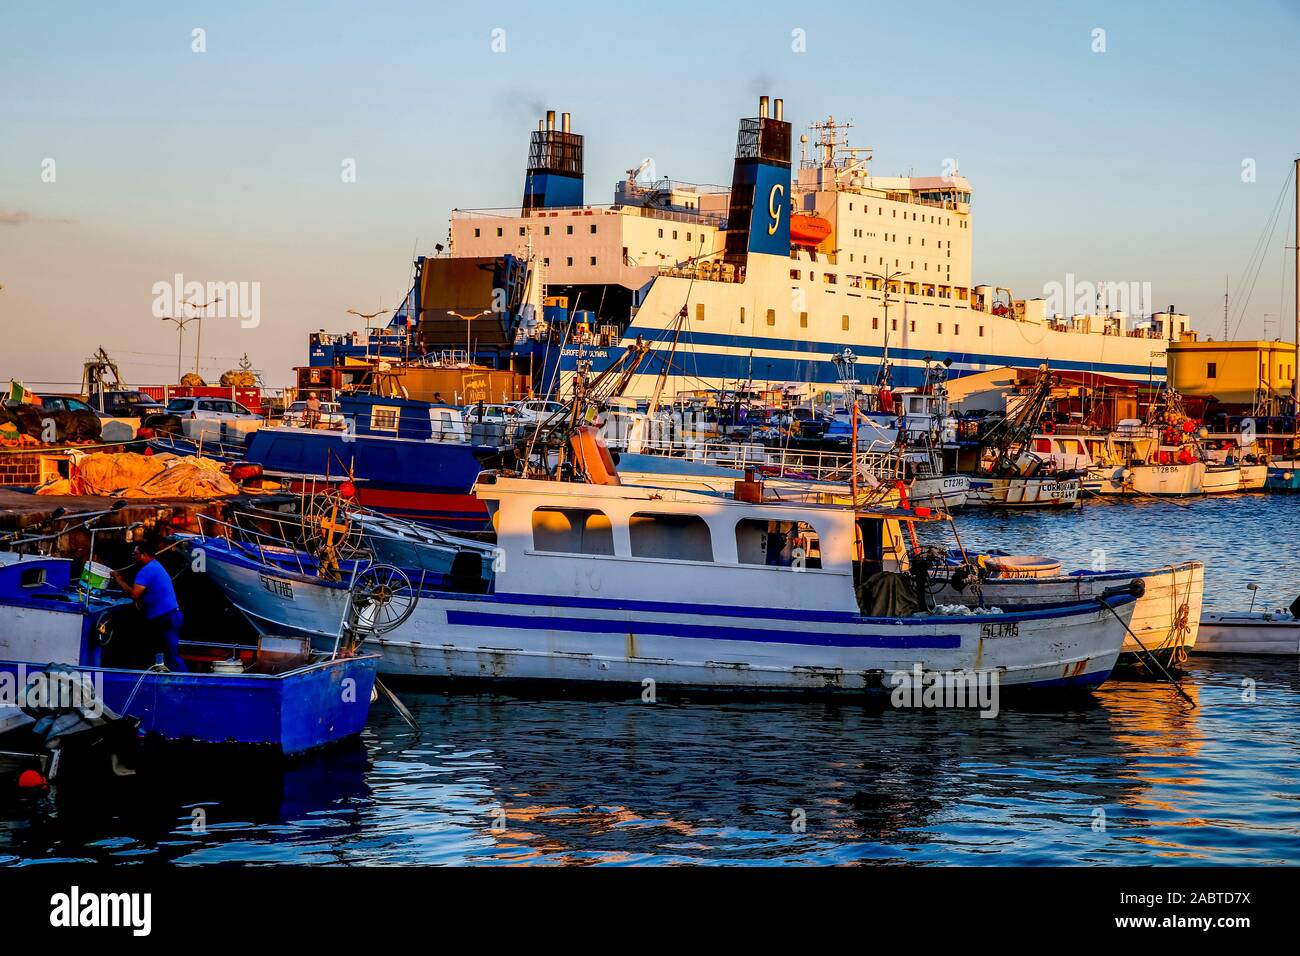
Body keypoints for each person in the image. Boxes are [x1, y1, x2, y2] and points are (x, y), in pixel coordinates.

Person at [110, 535, 187, 672]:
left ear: (144, 555)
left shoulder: (147, 570)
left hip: (167, 617)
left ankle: (184, 681)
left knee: (172, 654)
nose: (134, 556)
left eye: (136, 554)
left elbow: (134, 593)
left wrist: (118, 579)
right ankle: (160, 671)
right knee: (160, 649)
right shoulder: (156, 566)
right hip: (167, 616)